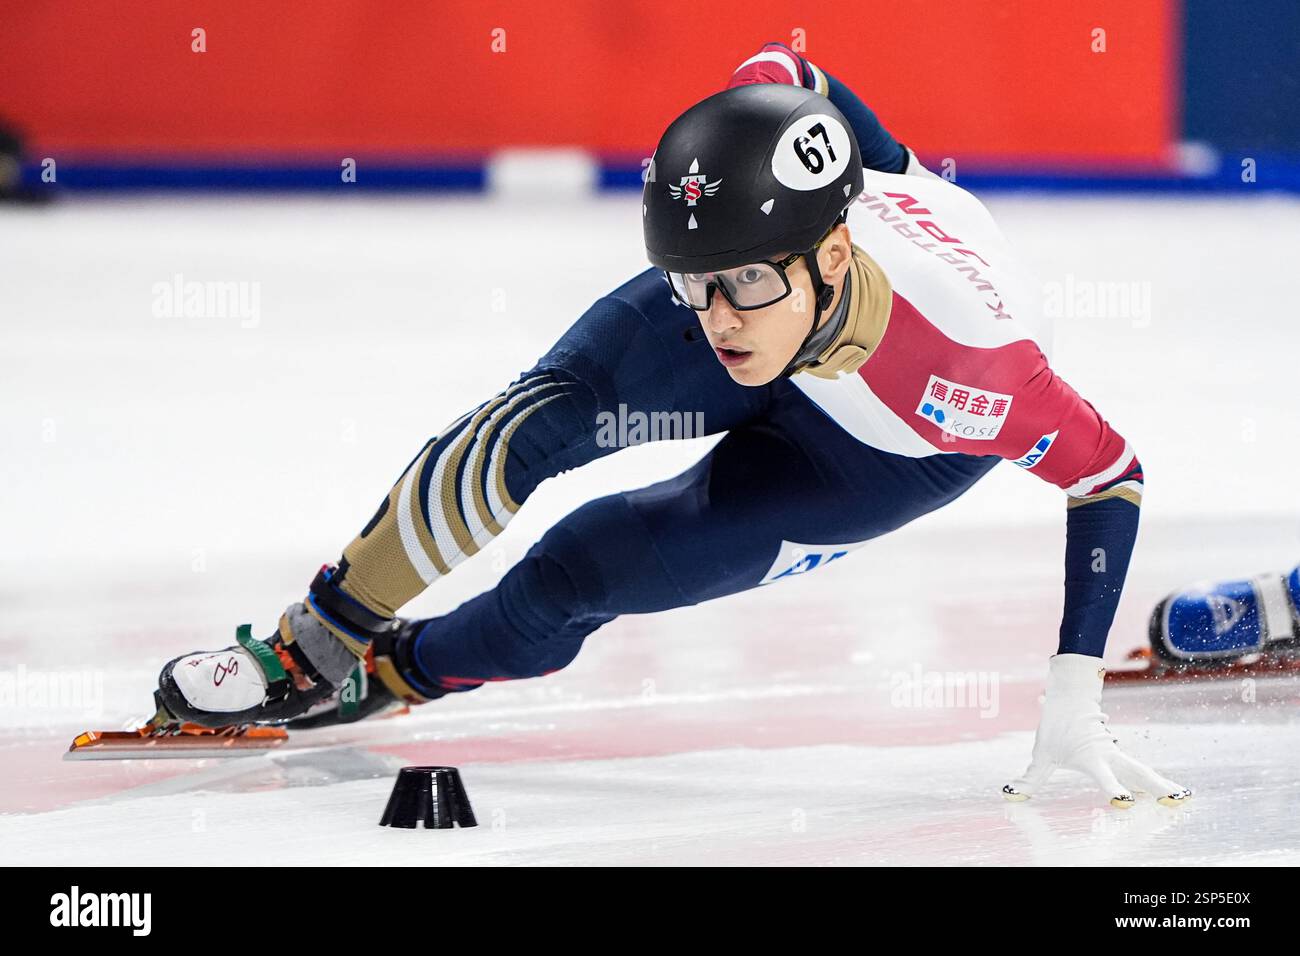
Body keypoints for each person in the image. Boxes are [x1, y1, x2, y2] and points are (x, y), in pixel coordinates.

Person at [157, 43, 1189, 808]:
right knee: (530, 427)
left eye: (736, 284)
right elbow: (792, 65)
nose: (716, 319)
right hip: (813, 325)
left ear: (834, 260)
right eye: (691, 285)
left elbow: (1111, 474)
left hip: (873, 454)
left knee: (576, 573)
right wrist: (721, 237)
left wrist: (1072, 688)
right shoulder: (747, 279)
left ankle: (395, 672)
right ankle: (319, 643)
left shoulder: (971, 370)